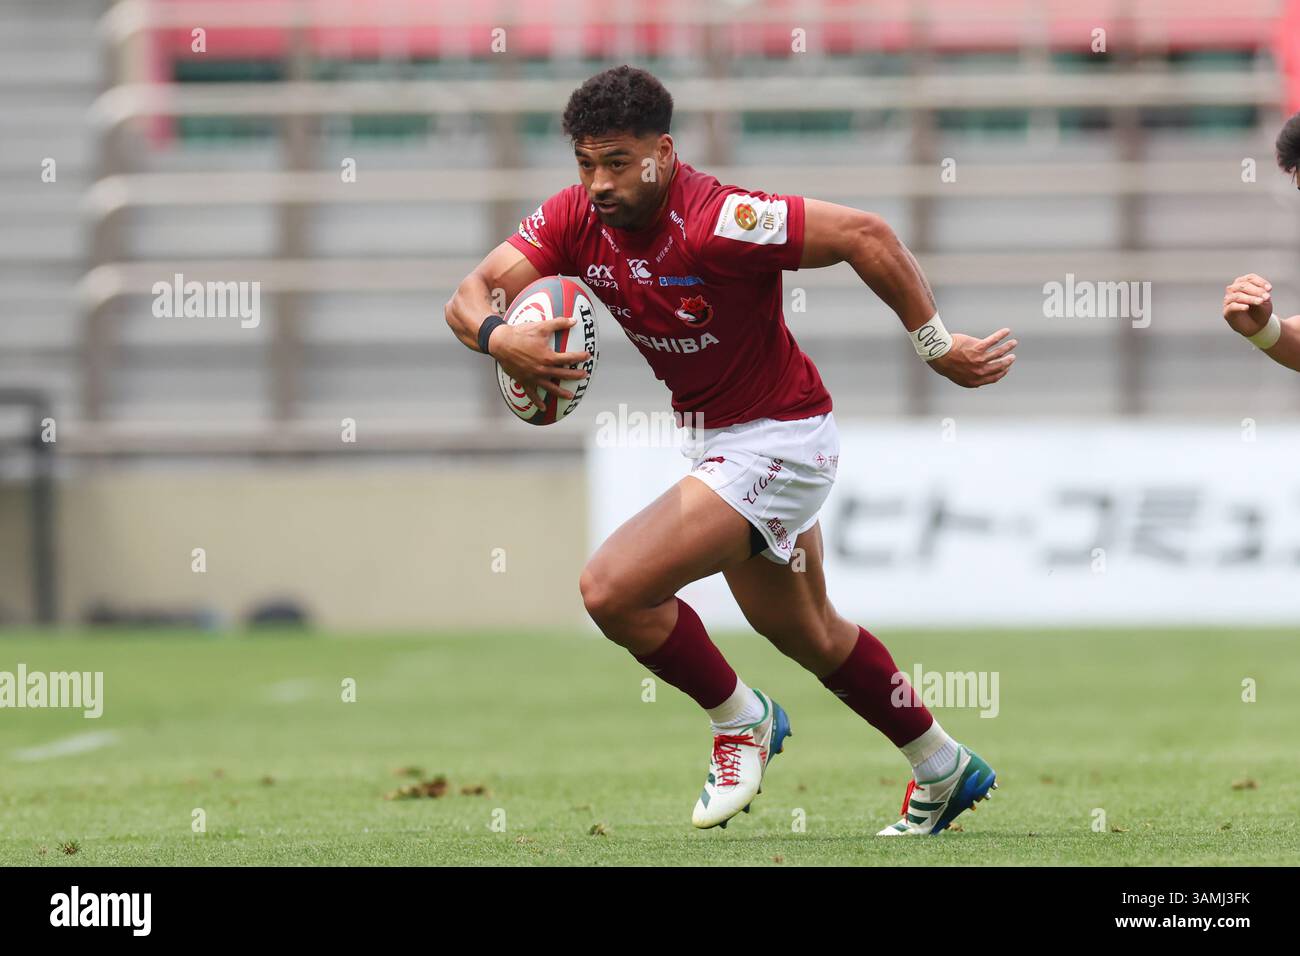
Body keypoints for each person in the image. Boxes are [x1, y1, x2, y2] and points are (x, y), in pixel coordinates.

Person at [445, 66, 1014, 835]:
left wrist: (936, 343)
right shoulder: (574, 220)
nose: (600, 183)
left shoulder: (720, 220)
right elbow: (470, 293)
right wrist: (499, 337)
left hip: (781, 440)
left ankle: (742, 721)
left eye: (617, 162)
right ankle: (943, 766)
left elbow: (865, 235)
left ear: (664, 152)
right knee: (813, 635)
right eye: (586, 164)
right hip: (725, 443)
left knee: (611, 591)